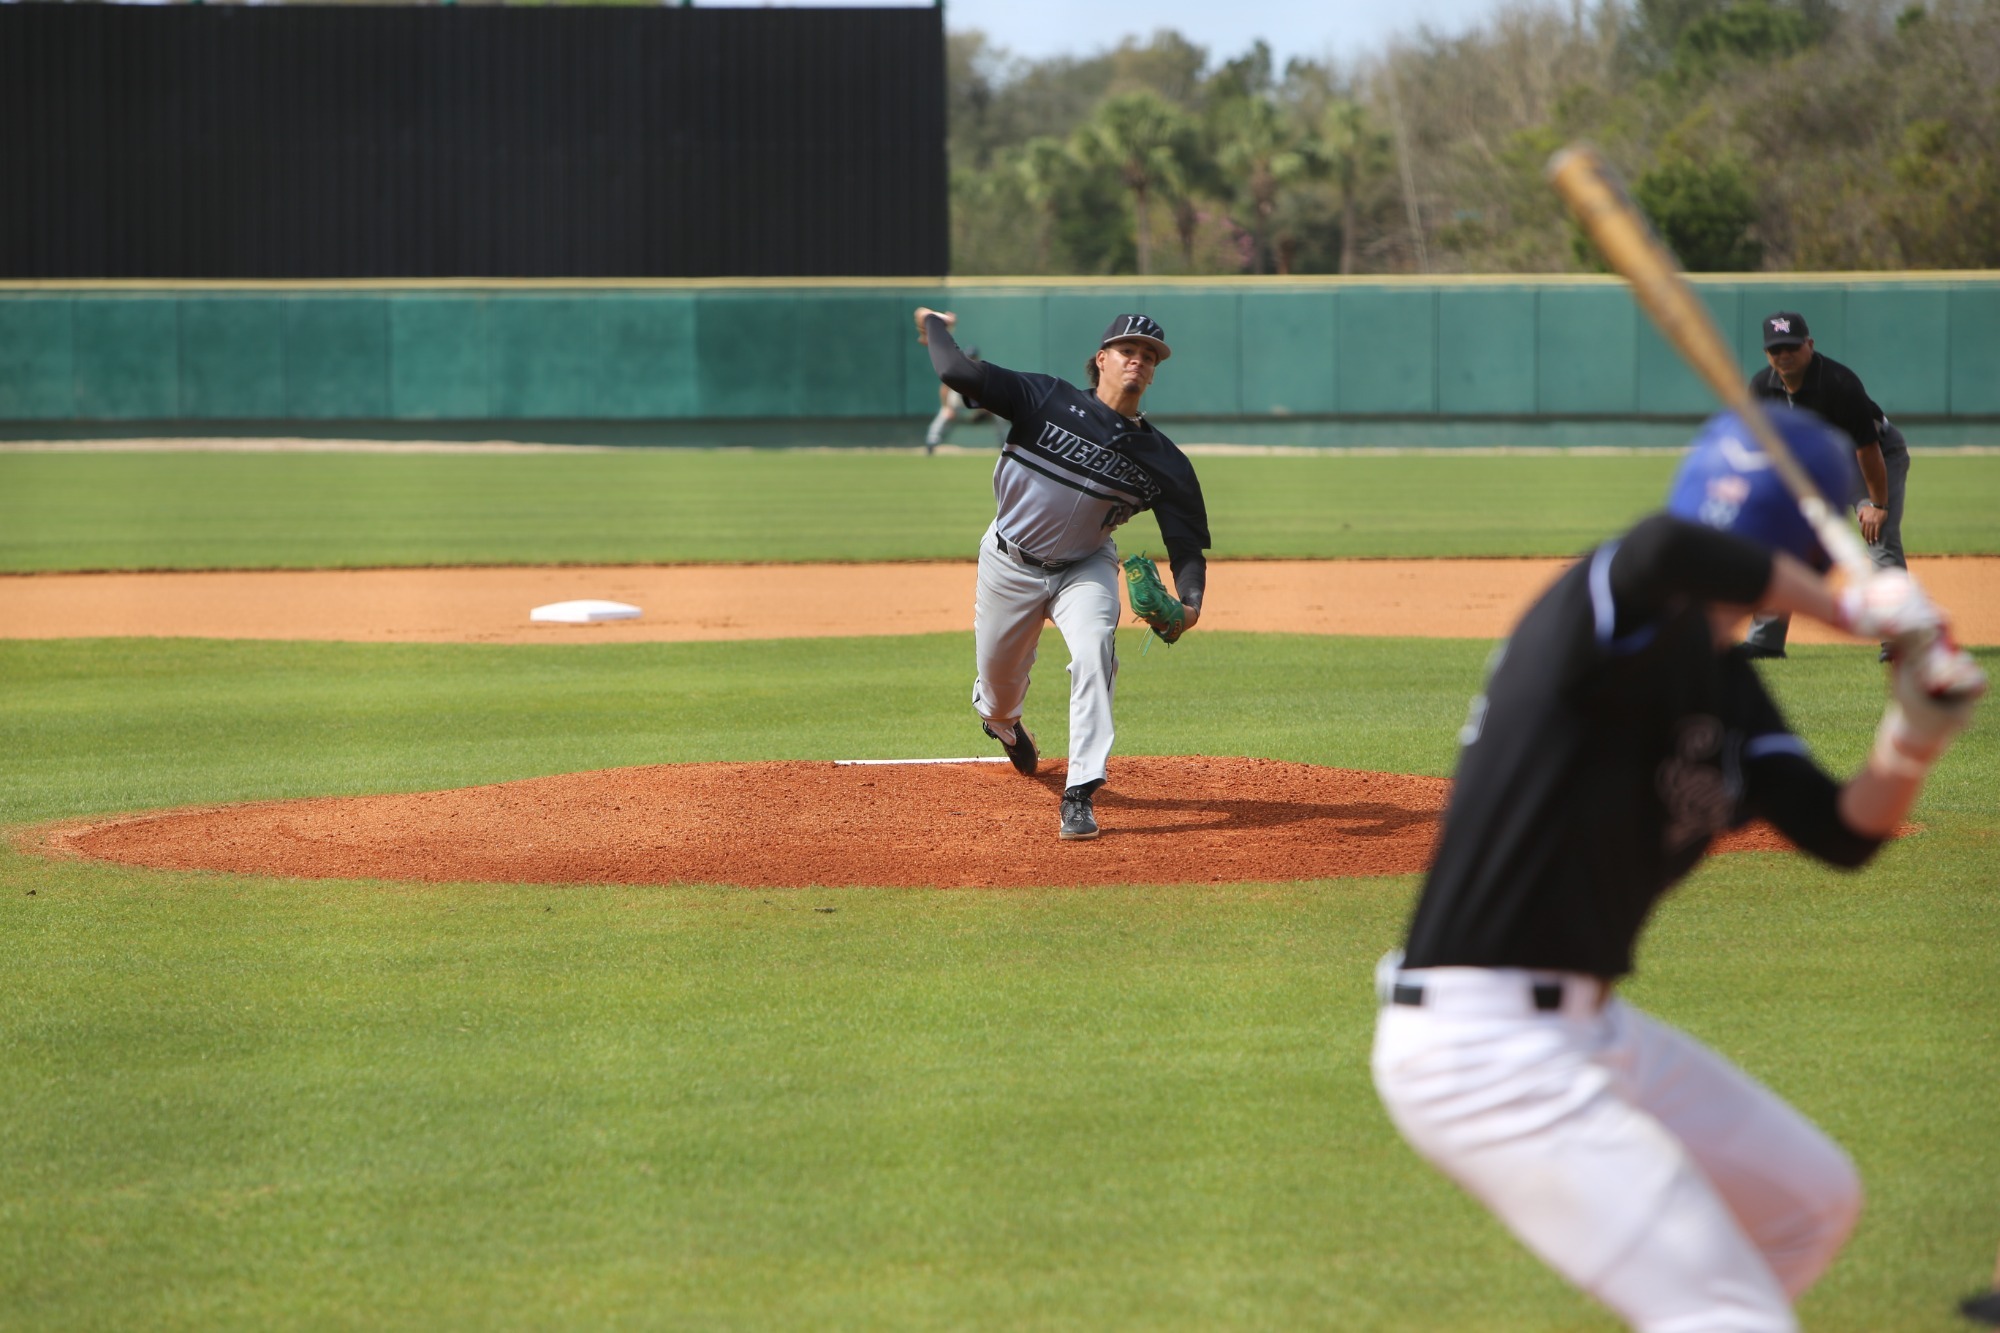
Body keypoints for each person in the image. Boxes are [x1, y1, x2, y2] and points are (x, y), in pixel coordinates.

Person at [1371, 406, 1984, 1331]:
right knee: (1731, 1314)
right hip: (1481, 1047)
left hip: (1589, 1028)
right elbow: (1662, 548)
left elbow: (1842, 832)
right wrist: (1848, 606)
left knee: (1811, 1200)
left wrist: (1913, 736)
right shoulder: (1603, 611)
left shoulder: (1727, 688)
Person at [911, 306, 1210, 840]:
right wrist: (934, 325)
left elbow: (1186, 545)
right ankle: (1001, 722)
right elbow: (957, 374)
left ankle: (1080, 793)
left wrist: (1189, 609)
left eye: (1148, 356)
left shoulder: (1163, 459)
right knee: (1000, 692)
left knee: (1096, 646)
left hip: (1086, 565)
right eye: (1127, 351)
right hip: (1008, 561)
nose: (1137, 361)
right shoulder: (1044, 398)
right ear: (1101, 359)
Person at [1739, 311, 1911, 660]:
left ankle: (1898, 640)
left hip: (1873, 459)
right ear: (1766, 354)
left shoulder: (1839, 383)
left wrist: (1877, 505)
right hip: (1814, 467)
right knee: (1783, 543)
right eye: (1776, 349)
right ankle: (1764, 641)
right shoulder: (1761, 388)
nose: (1784, 355)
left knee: (1879, 539)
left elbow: (1868, 449)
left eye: (1791, 346)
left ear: (1809, 345)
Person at [923, 345, 1000, 454]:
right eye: (969, 357)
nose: (971, 359)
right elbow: (944, 389)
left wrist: (987, 409)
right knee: (944, 414)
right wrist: (947, 407)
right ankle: (931, 443)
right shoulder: (957, 369)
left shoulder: (982, 370)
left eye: (973, 357)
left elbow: (989, 392)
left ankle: (1004, 444)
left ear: (977, 357)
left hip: (977, 403)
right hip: (958, 403)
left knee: (998, 415)